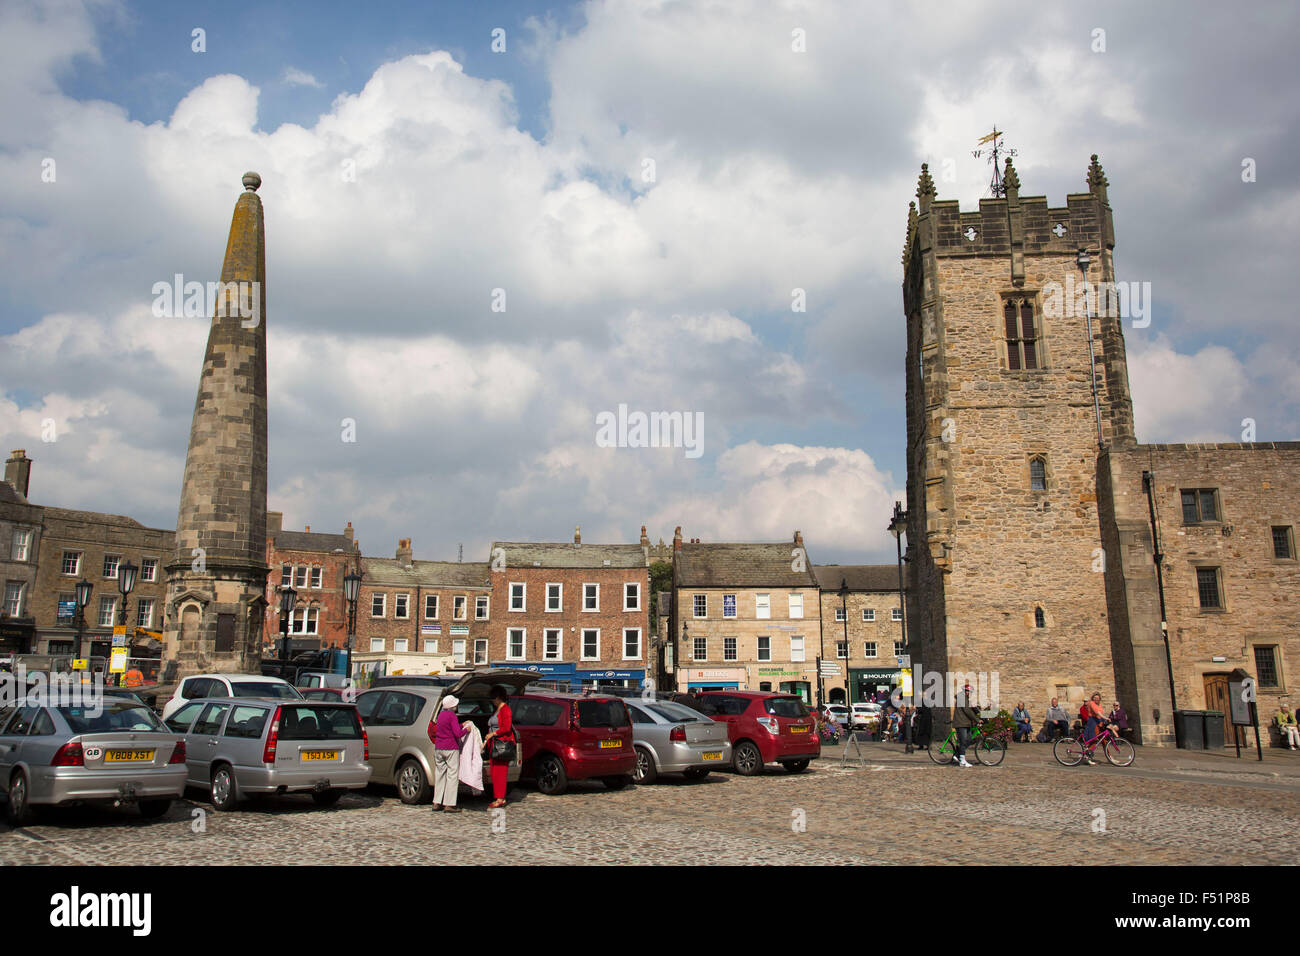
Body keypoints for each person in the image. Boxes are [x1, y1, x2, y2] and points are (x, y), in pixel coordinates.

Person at [429, 693, 469, 812]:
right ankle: (449, 804)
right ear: (453, 706)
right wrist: (466, 729)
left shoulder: (441, 715)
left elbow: (449, 728)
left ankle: (436, 802)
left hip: (439, 748)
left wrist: (462, 724)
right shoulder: (452, 716)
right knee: (452, 775)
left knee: (440, 774)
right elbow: (457, 733)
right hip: (451, 748)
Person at [481, 685, 515, 809]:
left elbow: (506, 728)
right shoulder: (497, 709)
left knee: (500, 772)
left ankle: (500, 798)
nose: (493, 701)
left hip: (501, 744)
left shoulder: (505, 710)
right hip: (494, 744)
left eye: (494, 698)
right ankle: (498, 796)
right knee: (495, 772)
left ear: (500, 697)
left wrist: (493, 734)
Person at [951, 689, 980, 768]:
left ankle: (957, 755)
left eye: (969, 692)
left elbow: (970, 709)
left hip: (966, 723)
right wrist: (977, 719)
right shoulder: (961, 698)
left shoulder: (965, 699)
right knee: (963, 741)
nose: (968, 693)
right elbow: (967, 711)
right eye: (967, 691)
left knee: (970, 739)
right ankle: (962, 761)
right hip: (961, 723)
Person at [1081, 693, 1109, 765]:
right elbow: (1097, 712)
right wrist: (1105, 718)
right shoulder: (1092, 703)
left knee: (1104, 740)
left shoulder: (1099, 705)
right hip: (1093, 723)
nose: (1096, 699)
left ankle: (1110, 757)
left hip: (1098, 723)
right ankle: (1087, 757)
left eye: (1098, 698)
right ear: (1093, 699)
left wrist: (1104, 721)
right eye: (1095, 698)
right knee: (1095, 740)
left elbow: (1100, 714)